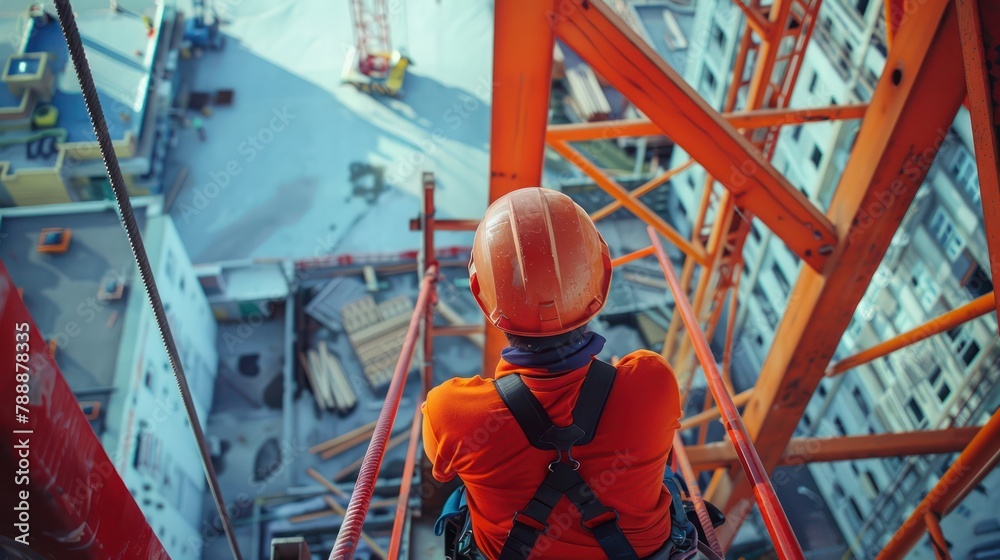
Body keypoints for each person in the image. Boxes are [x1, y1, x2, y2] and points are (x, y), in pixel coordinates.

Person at [423, 187, 684, 559]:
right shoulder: (653, 382)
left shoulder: (450, 412)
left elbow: (441, 472)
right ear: (602, 279)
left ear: (480, 293)